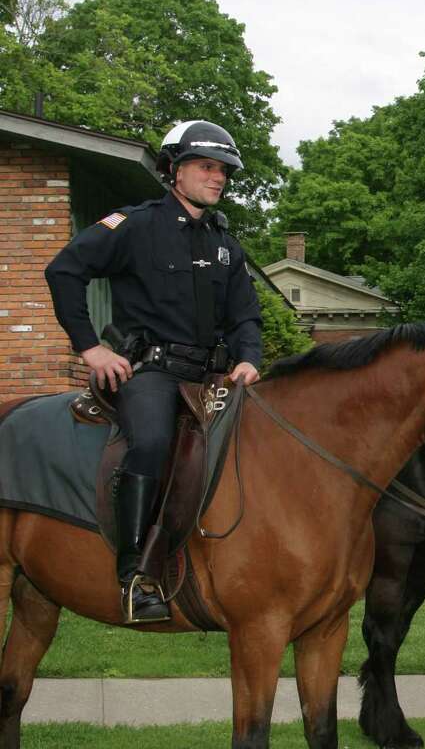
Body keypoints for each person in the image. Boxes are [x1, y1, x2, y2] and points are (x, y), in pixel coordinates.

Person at [45, 120, 263, 623]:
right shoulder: (134, 224)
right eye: (206, 167)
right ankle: (136, 575)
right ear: (174, 170)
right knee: (151, 445)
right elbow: (64, 271)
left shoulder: (226, 244)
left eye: (223, 170)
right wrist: (90, 349)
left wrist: (250, 357)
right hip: (152, 374)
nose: (218, 178)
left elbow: (246, 315)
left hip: (214, 378)